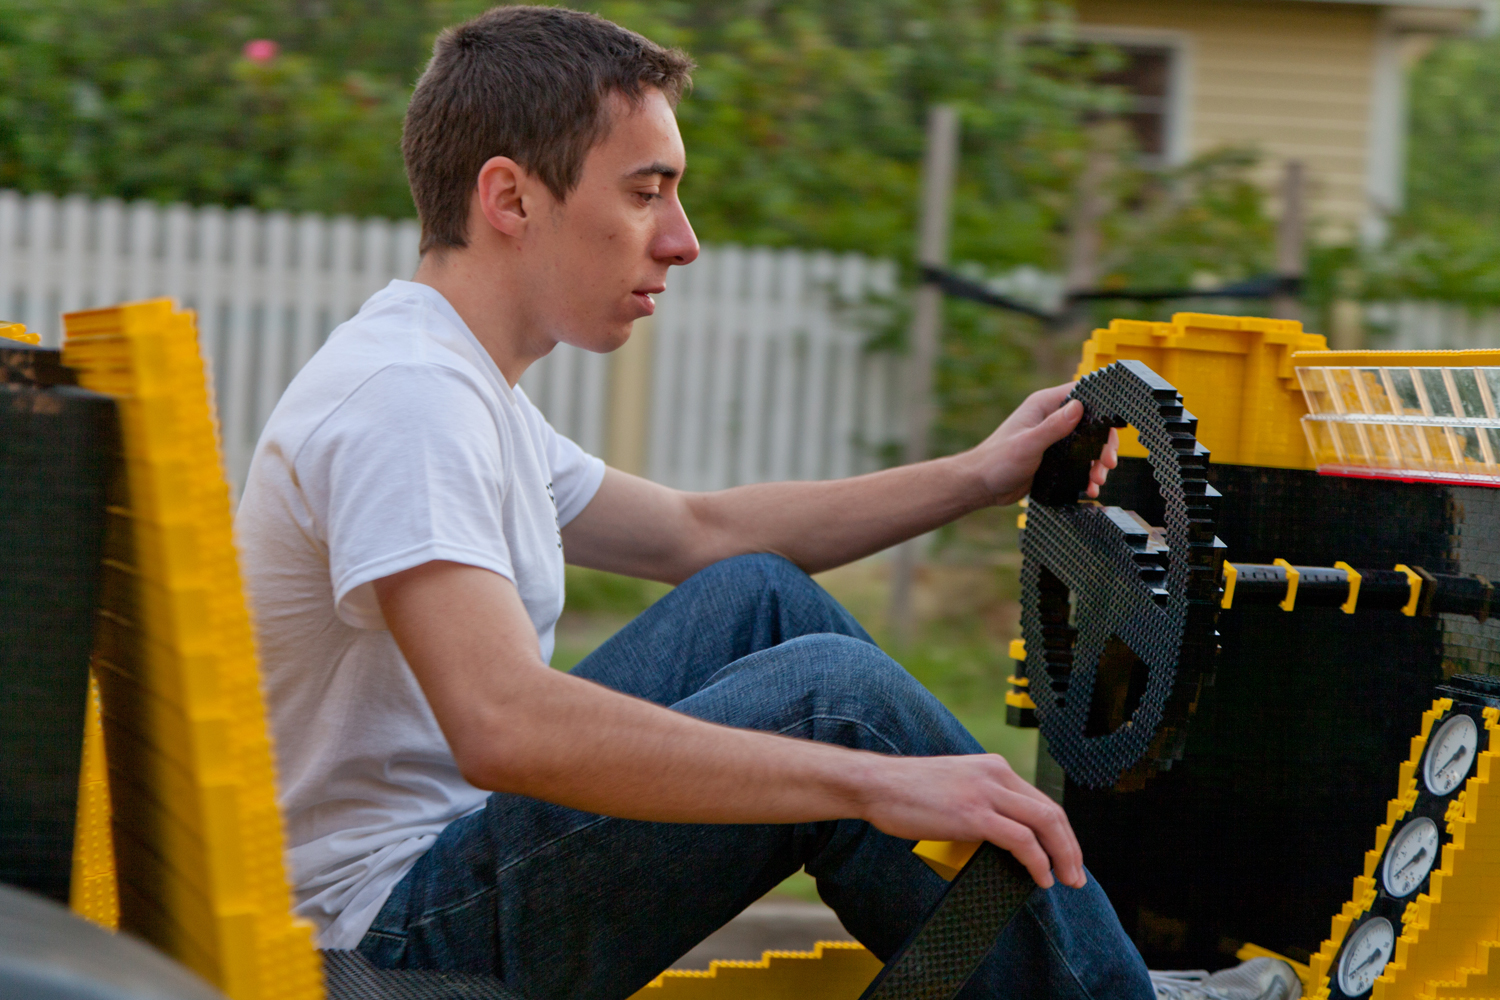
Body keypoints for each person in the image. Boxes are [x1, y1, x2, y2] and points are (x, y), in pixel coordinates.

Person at [235, 6, 1149, 999]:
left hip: (431, 876)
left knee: (760, 597)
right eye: (645, 193)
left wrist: (980, 473)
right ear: (509, 197)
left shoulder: (451, 377)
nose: (683, 241)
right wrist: (875, 781)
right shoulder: (407, 401)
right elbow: (503, 723)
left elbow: (695, 533)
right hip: (386, 941)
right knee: (837, 704)